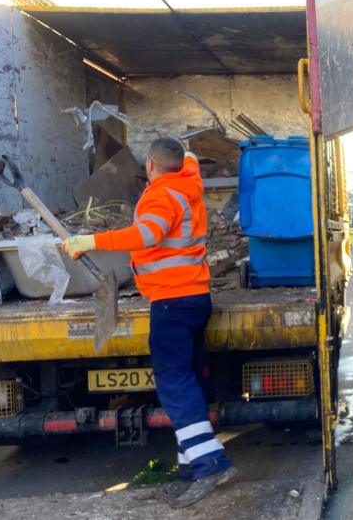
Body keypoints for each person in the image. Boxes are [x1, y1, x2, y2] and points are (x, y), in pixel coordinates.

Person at [62, 137, 237, 508]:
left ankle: (211, 465)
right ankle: (190, 467)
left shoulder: (161, 194)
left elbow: (146, 234)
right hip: (195, 297)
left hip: (171, 302)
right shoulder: (188, 183)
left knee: (174, 384)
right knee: (188, 380)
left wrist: (89, 239)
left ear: (150, 167)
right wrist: (187, 153)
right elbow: (187, 159)